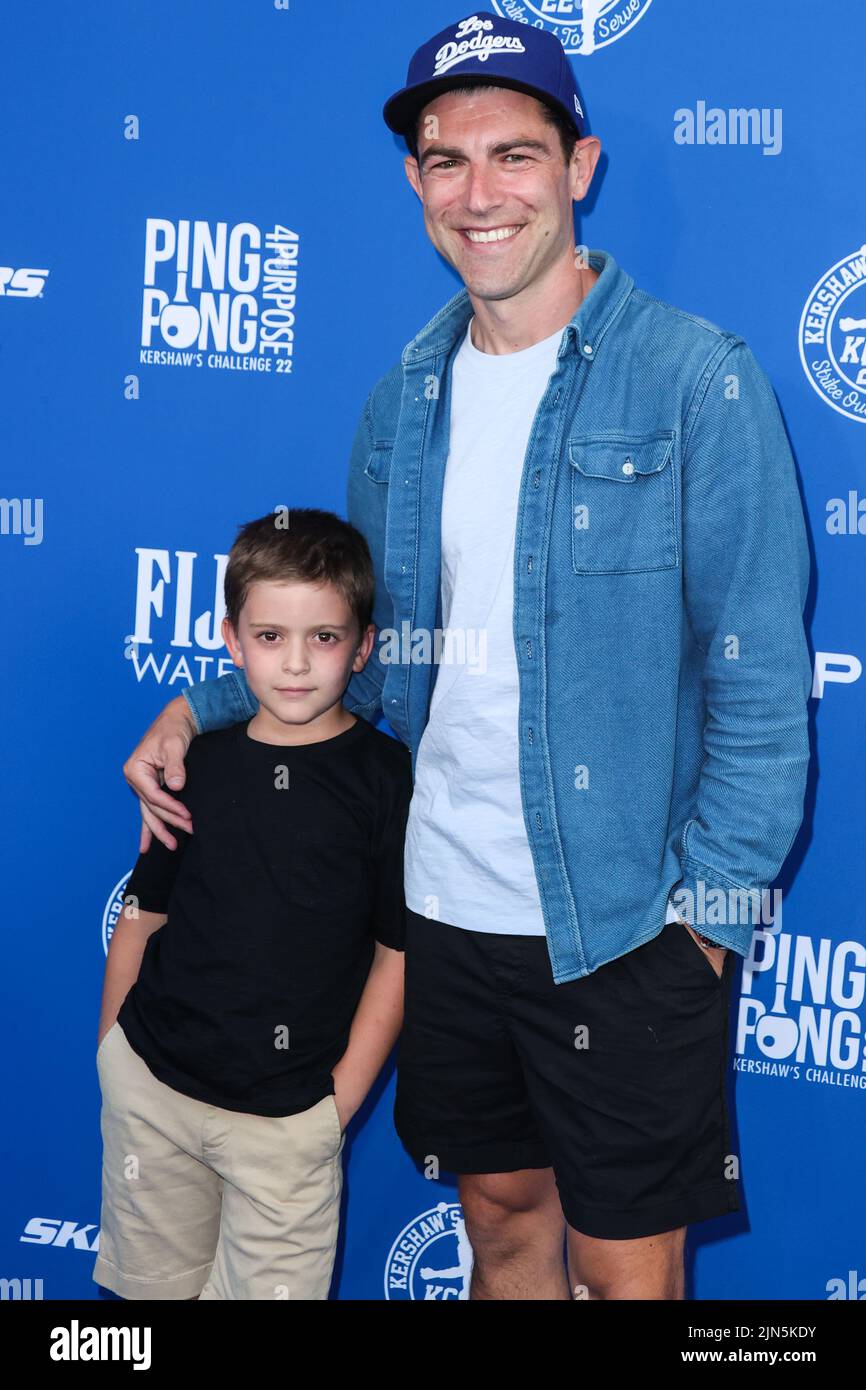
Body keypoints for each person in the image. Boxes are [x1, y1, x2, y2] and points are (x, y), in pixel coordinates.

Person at [122, 12, 812, 1300]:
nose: (479, 193)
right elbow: (363, 653)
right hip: (441, 910)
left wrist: (702, 932)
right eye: (447, 161)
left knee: (626, 1272)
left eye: (513, 155)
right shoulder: (401, 403)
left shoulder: (691, 381)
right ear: (414, 183)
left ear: (577, 165)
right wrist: (202, 701)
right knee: (499, 1223)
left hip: (618, 927)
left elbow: (761, 684)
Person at [96, 509, 412, 1300]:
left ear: (364, 646)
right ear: (231, 644)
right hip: (152, 1094)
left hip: (287, 1125)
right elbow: (146, 907)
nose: (297, 664)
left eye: (326, 638)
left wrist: (336, 1106)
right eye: (270, 638)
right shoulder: (194, 756)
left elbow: (397, 950)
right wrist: (113, 1048)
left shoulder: (388, 781)